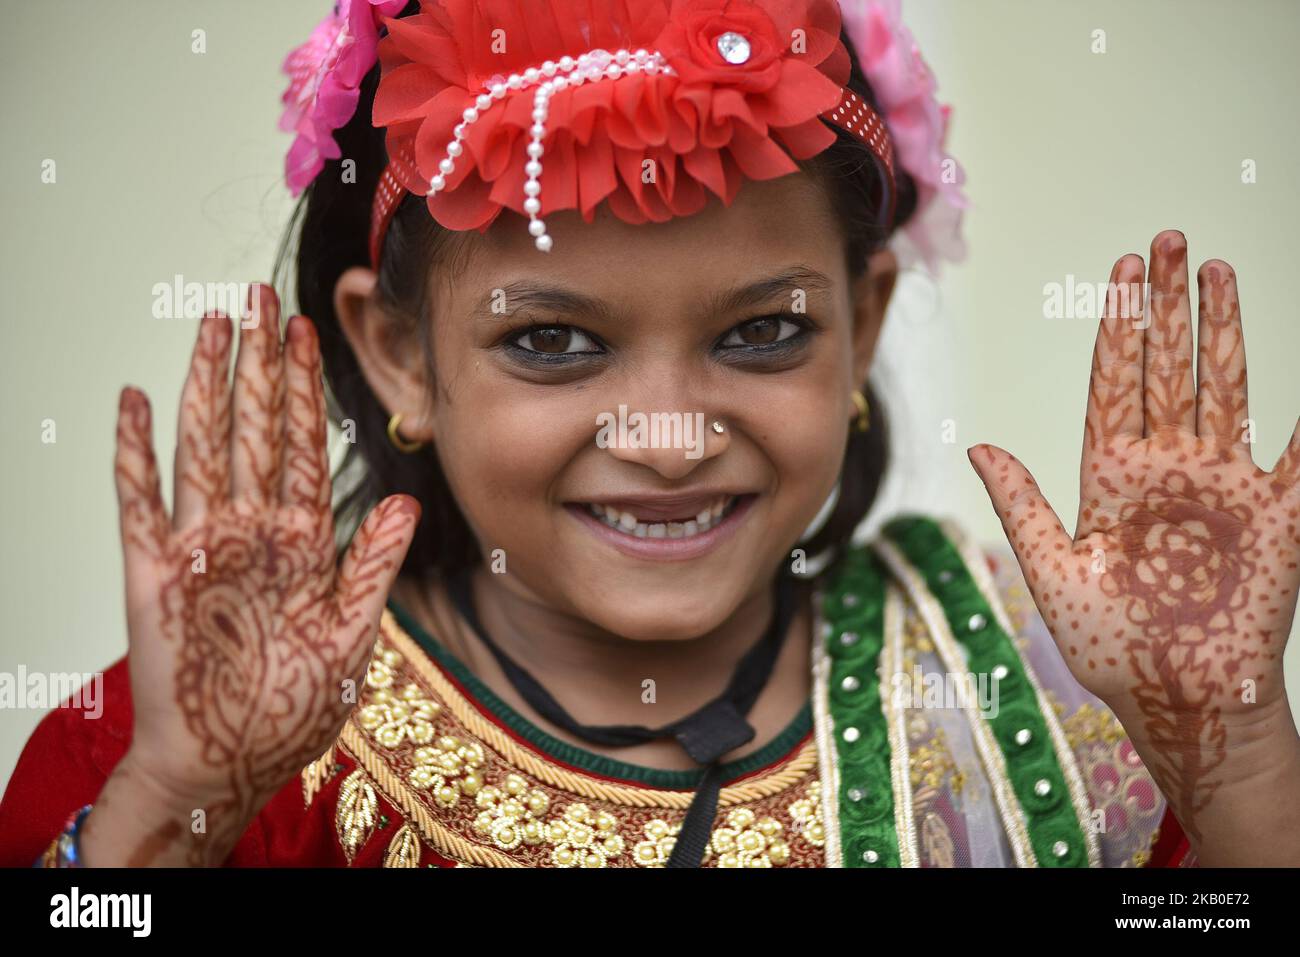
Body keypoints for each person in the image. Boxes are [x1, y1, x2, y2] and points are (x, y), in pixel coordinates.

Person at [3, 0, 1297, 868]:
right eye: (553, 342)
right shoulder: (193, 738)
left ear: (865, 317)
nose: (670, 436)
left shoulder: (1054, 694)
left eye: (762, 333)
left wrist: (1231, 764)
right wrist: (173, 810)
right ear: (399, 352)